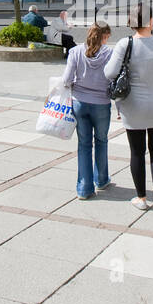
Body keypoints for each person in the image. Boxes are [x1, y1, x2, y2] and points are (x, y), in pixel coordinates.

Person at [105, 1, 153, 211]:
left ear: (131, 22)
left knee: (137, 152)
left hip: (133, 106)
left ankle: (141, 198)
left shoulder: (125, 44)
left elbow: (109, 73)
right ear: (151, 21)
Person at [63, 21, 114, 199]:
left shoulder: (75, 52)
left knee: (84, 145)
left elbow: (66, 79)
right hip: (101, 103)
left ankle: (84, 188)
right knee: (101, 141)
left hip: (79, 103)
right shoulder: (110, 53)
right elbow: (114, 78)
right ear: (105, 36)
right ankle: (101, 180)